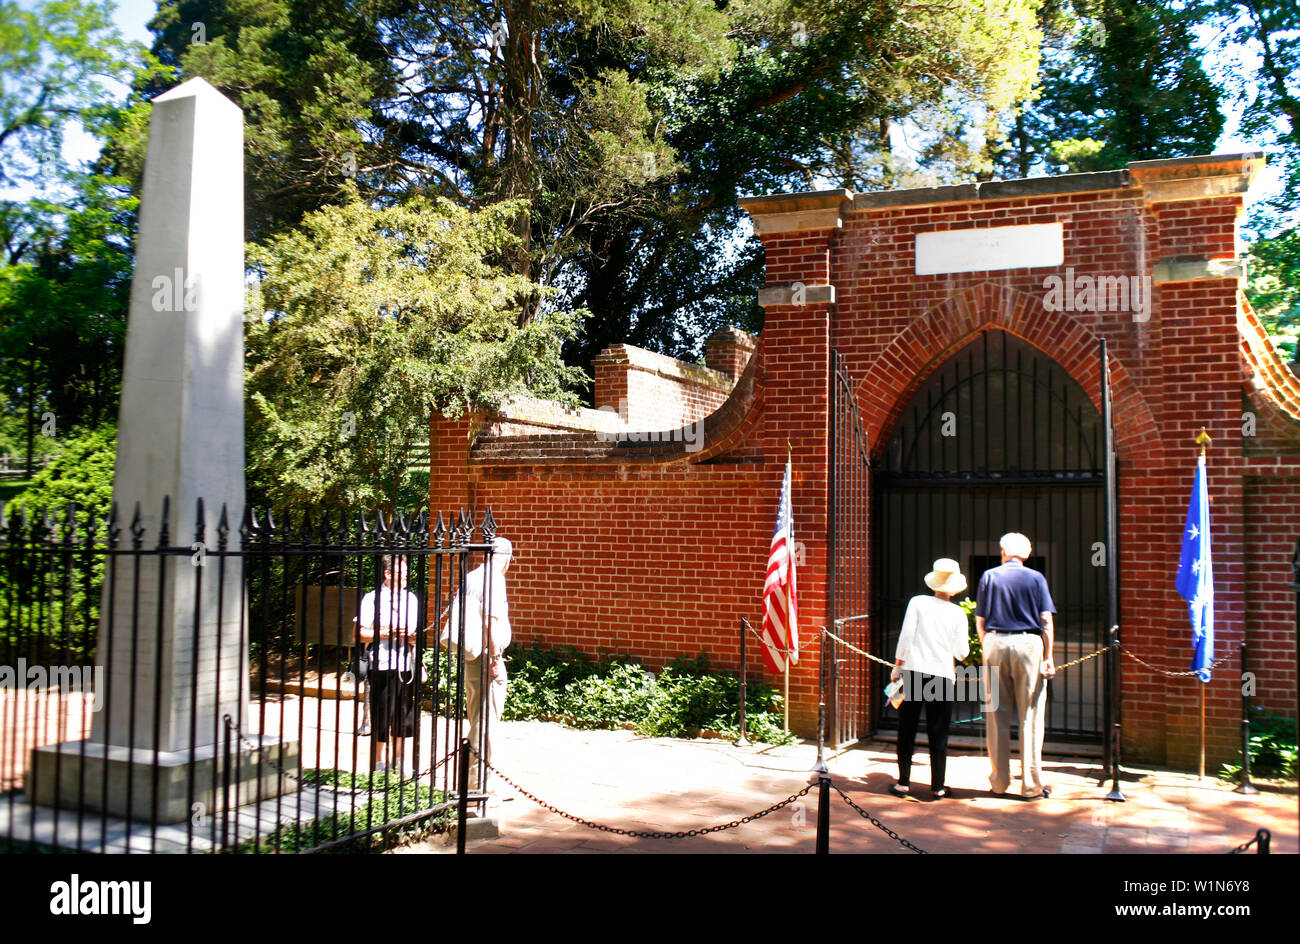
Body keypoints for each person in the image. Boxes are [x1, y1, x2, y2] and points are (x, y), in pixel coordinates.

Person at [976, 532, 1056, 799]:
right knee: (1030, 716)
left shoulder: (989, 576)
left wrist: (988, 645)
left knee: (996, 714)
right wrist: (1048, 657)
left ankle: (999, 782)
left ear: (1002, 552)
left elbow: (981, 621)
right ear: (1027, 554)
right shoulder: (1036, 578)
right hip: (1028, 644)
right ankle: (1031, 785)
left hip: (996, 641)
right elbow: (1046, 621)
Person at [889, 559, 970, 799]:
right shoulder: (958, 613)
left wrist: (897, 666)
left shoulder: (918, 603)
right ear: (955, 587)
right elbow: (961, 652)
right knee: (938, 732)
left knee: (906, 730)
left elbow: (905, 637)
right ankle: (938, 786)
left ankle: (903, 783)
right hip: (942, 676)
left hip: (914, 672)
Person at [443, 536, 512, 791]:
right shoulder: (495, 579)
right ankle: (477, 784)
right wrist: (495, 658)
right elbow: (489, 621)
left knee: (477, 717)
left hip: (472, 656)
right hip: (485, 656)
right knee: (486, 721)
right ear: (504, 558)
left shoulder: (473, 576)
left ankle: (475, 780)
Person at [357, 554, 422, 775]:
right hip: (382, 663)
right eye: (402, 574)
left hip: (405, 663)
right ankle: (378, 763)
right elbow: (360, 634)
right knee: (382, 714)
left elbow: (414, 637)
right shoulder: (372, 599)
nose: (406, 578)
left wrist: (416, 654)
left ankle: (399, 759)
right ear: (387, 574)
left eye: (406, 574)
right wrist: (388, 632)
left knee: (404, 715)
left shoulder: (411, 599)